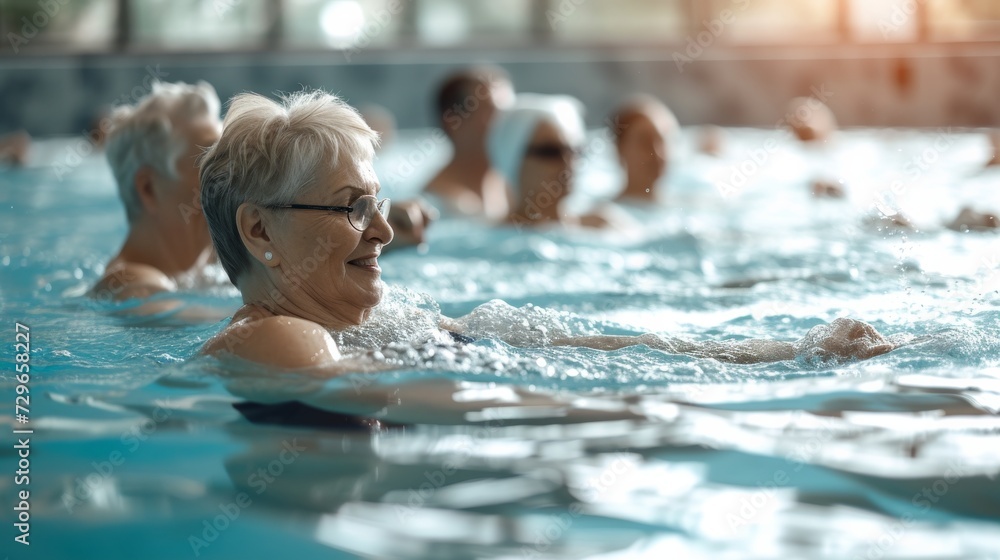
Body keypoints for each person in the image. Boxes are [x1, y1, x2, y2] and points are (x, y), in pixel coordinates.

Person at [198, 90, 896, 370]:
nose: (383, 229)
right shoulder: (277, 339)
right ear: (259, 231)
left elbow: (565, 344)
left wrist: (783, 352)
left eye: (378, 202)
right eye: (353, 207)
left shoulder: (373, 323)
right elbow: (478, 409)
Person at [91, 81, 222, 302]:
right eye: (210, 164)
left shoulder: (212, 258)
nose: (231, 180)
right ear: (149, 189)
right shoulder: (127, 283)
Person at [489, 93, 621, 229]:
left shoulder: (605, 226)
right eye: (551, 152)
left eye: (574, 151)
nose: (568, 162)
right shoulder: (492, 236)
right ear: (513, 159)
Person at [422, 66, 515, 221]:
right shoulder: (437, 206)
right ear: (454, 122)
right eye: (495, 114)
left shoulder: (510, 192)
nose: (508, 125)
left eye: (510, 115)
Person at [609, 95, 678, 203]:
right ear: (620, 149)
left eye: (661, 141)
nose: (656, 153)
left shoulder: (685, 205)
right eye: (645, 142)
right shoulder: (605, 211)